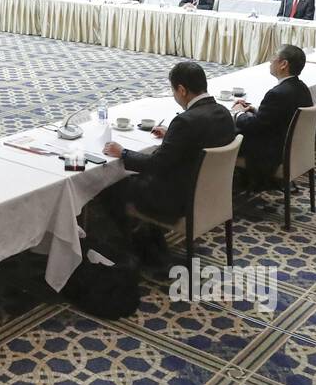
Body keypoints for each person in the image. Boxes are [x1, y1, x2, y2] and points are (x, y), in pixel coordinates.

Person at [100, 62, 237, 262]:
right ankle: (149, 239)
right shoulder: (223, 112)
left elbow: (157, 165)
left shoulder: (185, 121)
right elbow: (199, 142)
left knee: (113, 186)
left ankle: (132, 250)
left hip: (179, 200)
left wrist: (123, 152)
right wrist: (172, 137)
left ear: (182, 90)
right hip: (212, 194)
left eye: (173, 91)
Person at [231, 45, 313, 186]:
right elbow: (278, 116)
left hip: (270, 152)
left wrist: (237, 113)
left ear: (283, 64)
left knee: (226, 134)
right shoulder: (302, 87)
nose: (270, 61)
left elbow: (255, 126)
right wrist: (254, 110)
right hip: (290, 147)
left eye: (273, 57)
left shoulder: (277, 94)